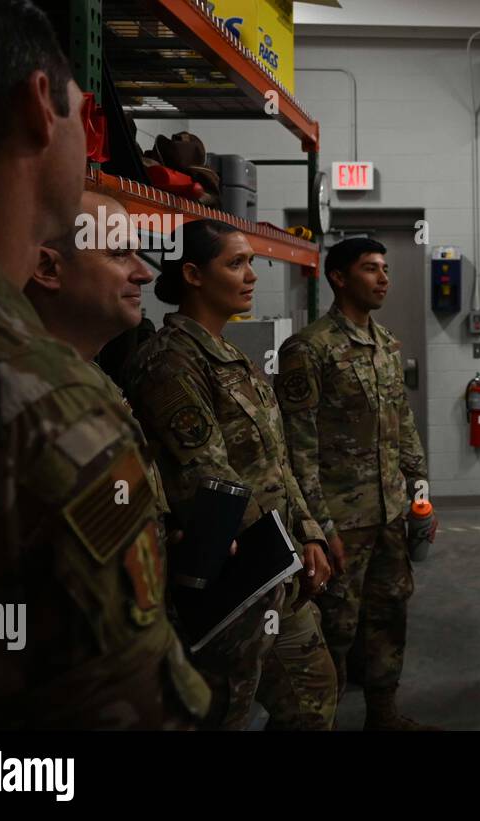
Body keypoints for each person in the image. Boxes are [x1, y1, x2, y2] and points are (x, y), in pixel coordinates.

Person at [0, 0, 207, 729]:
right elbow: (127, 707)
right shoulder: (44, 403)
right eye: (88, 115)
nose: (141, 270)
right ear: (38, 108)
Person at [125, 218, 339, 730]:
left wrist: (307, 531)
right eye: (236, 263)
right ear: (195, 275)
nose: (251, 276)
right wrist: (285, 546)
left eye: (251, 263)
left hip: (276, 566)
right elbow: (208, 475)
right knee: (223, 712)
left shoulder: (233, 358)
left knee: (314, 691)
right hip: (234, 577)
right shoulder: (169, 363)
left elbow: (276, 459)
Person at [276, 237, 436, 730]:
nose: (384, 277)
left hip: (390, 514)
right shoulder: (309, 350)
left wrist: (420, 494)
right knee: (334, 634)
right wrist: (319, 527)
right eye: (371, 268)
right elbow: (297, 448)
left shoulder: (386, 345)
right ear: (340, 278)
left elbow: (403, 424)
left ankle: (383, 717)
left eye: (386, 268)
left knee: (389, 620)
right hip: (342, 521)